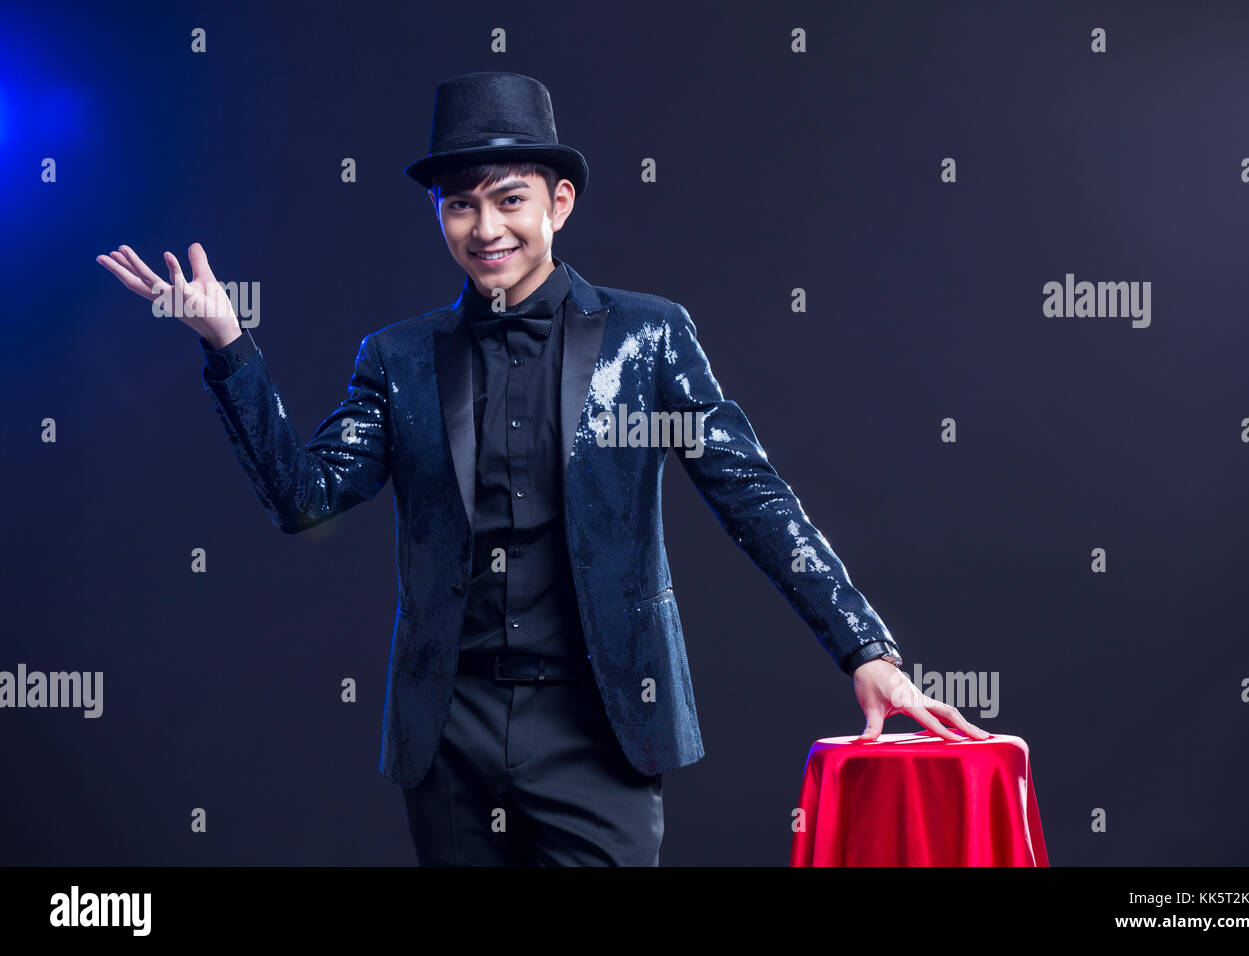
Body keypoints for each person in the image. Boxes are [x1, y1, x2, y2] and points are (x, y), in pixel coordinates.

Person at [97, 70, 988, 866]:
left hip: (601, 726)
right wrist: (226, 344)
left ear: (559, 203)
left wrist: (864, 647)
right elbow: (305, 497)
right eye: (459, 205)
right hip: (449, 735)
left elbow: (751, 491)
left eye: (509, 200)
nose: (486, 229)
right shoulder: (398, 357)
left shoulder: (648, 337)